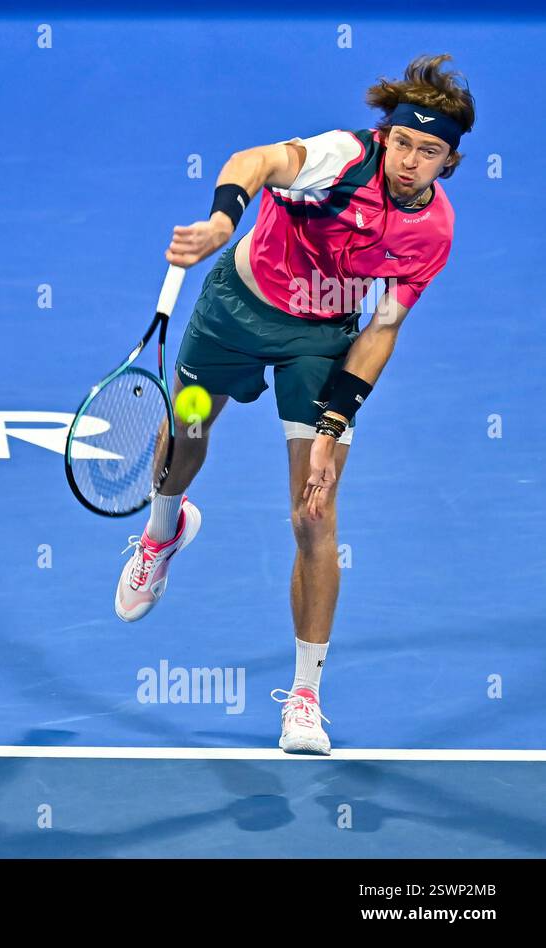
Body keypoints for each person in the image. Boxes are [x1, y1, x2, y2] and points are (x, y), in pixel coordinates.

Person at [114, 53, 475, 754]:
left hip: (322, 343)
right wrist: (224, 221)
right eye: (402, 142)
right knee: (186, 431)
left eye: (428, 151)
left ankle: (305, 697)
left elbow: (384, 329)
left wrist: (334, 424)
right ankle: (163, 531)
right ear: (386, 136)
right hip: (231, 314)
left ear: (449, 162)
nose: (408, 161)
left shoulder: (432, 232)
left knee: (316, 511)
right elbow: (254, 159)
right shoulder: (341, 156)